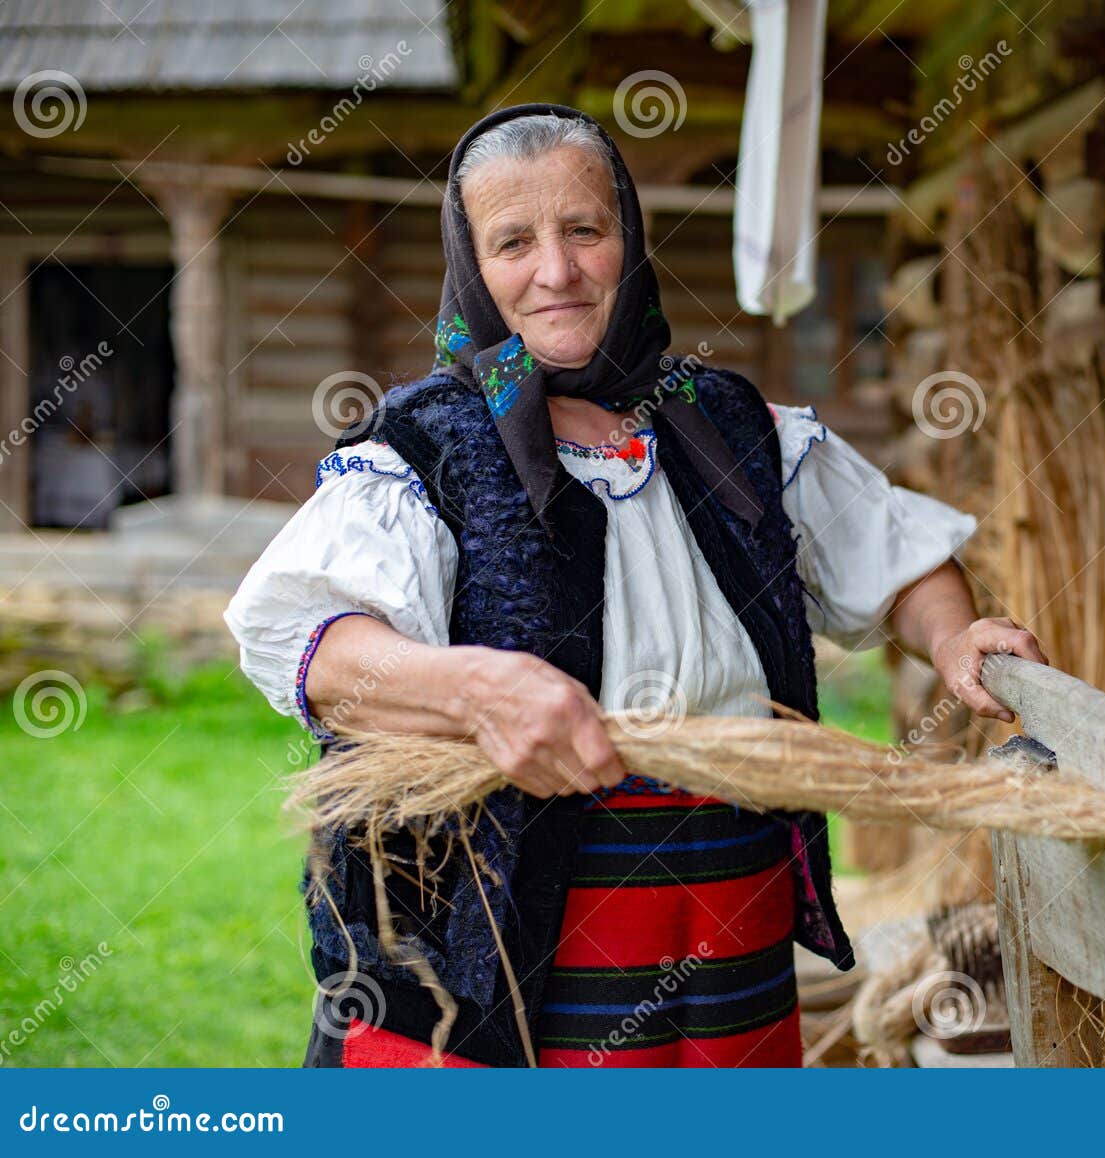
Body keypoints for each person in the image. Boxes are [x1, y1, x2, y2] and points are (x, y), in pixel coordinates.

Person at [224, 103, 1046, 1068]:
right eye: (513, 242)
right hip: (513, 925)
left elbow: (896, 557)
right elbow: (303, 637)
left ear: (629, 238)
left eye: (585, 230)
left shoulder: (736, 427)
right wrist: (477, 692)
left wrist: (950, 637)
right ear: (471, 266)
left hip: (730, 901)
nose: (557, 272)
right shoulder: (424, 448)